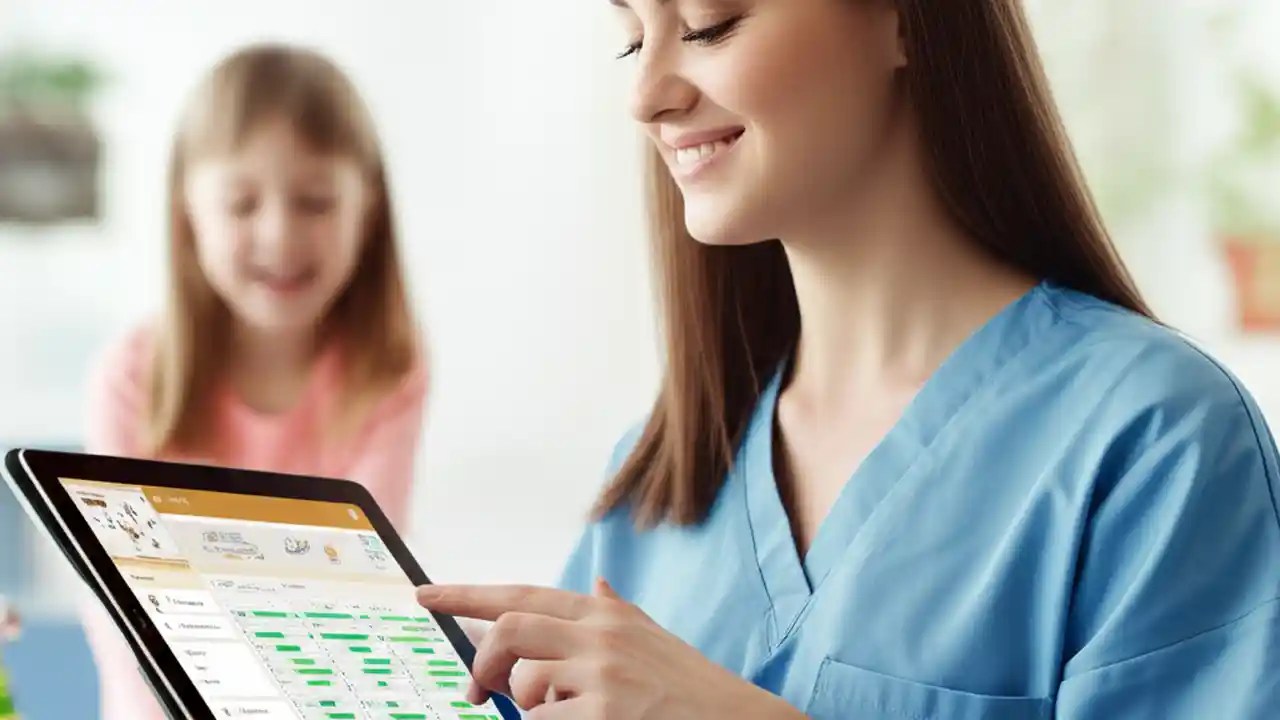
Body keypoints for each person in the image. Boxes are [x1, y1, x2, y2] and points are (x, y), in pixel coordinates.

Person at [416, 1, 1280, 718]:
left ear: (906, 20)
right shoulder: (663, 481)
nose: (645, 93)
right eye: (633, 36)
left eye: (712, 24)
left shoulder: (1157, 441)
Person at [84, 44, 427, 720]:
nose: (279, 233)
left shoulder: (389, 367)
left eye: (316, 202)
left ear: (369, 213)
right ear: (189, 217)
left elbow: (366, 593)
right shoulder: (133, 374)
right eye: (242, 204)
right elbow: (119, 610)